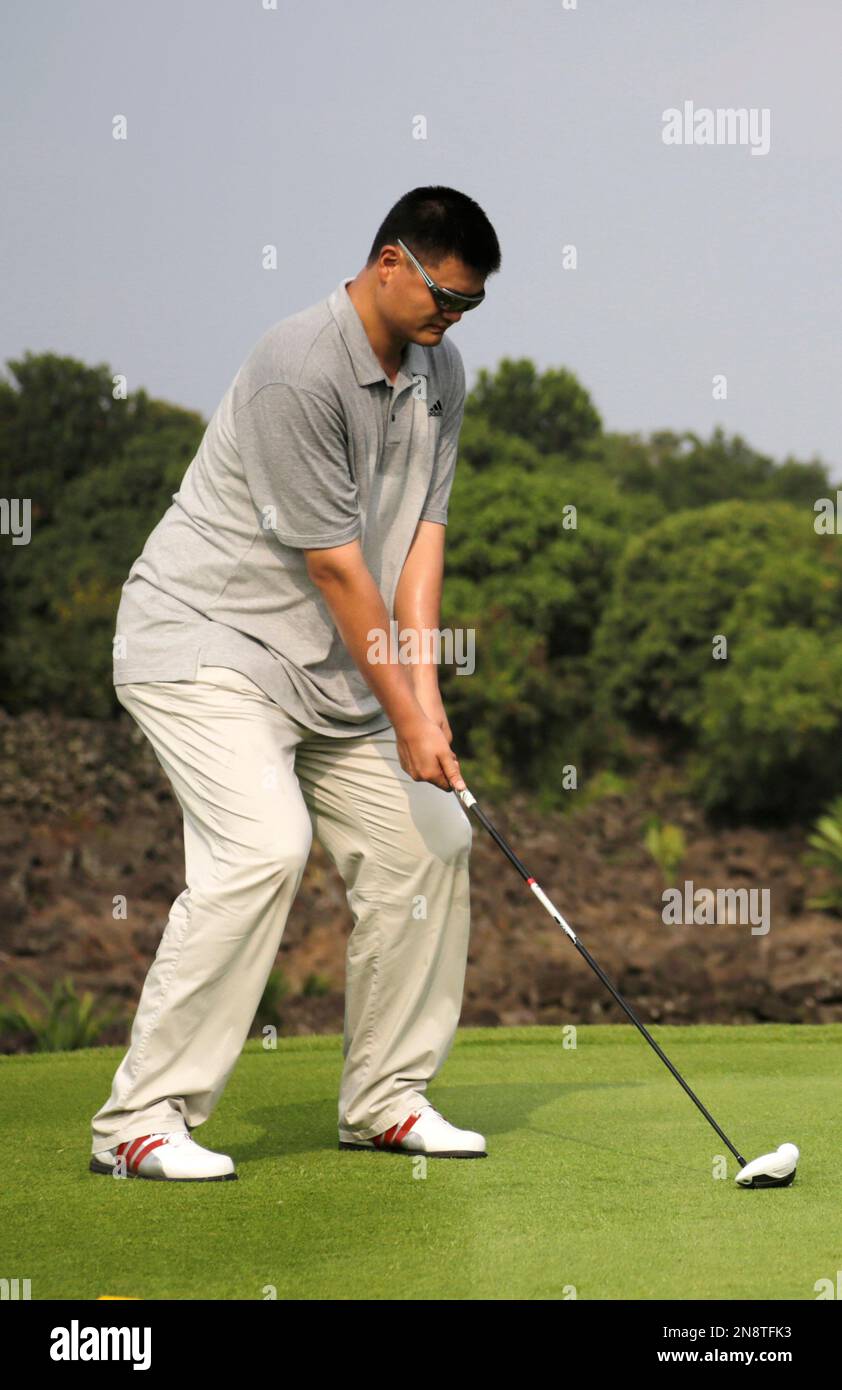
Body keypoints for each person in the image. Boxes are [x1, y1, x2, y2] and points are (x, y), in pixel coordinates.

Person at [89, 185, 503, 1181]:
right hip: (207, 644)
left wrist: (428, 701)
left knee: (429, 841)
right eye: (443, 297)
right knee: (262, 848)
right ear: (389, 262)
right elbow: (336, 567)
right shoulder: (295, 368)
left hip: (325, 668)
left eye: (469, 307)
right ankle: (139, 1121)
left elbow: (417, 547)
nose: (450, 321)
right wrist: (402, 710)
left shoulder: (441, 372)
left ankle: (385, 1100)